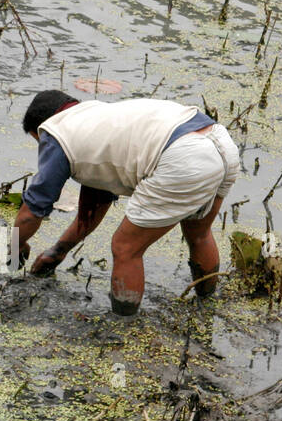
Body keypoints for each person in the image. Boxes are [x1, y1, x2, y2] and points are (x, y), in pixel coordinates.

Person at [13, 91, 240, 315]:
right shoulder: (94, 121)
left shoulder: (55, 133)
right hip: (220, 142)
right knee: (198, 234)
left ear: (41, 130)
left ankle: (124, 325)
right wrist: (59, 251)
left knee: (125, 248)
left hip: (182, 157)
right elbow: (93, 208)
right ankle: (207, 307)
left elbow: (32, 211)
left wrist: (15, 245)